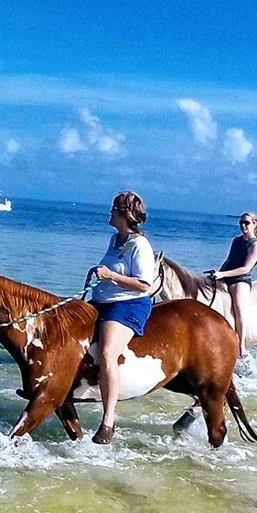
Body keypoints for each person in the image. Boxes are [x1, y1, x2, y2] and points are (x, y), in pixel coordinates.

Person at [86, 189, 159, 445]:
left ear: (123, 214)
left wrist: (111, 276)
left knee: (107, 352)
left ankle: (108, 420)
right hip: (101, 301)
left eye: (113, 209)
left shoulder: (140, 245)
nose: (110, 213)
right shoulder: (114, 239)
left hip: (128, 305)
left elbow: (144, 284)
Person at [206, 212, 257, 353]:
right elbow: (229, 261)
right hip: (226, 275)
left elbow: (245, 268)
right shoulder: (236, 241)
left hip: (241, 280)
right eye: (241, 222)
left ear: (254, 224)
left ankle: (241, 345)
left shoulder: (255, 245)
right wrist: (217, 274)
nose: (243, 225)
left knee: (238, 307)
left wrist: (223, 274)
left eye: (246, 222)